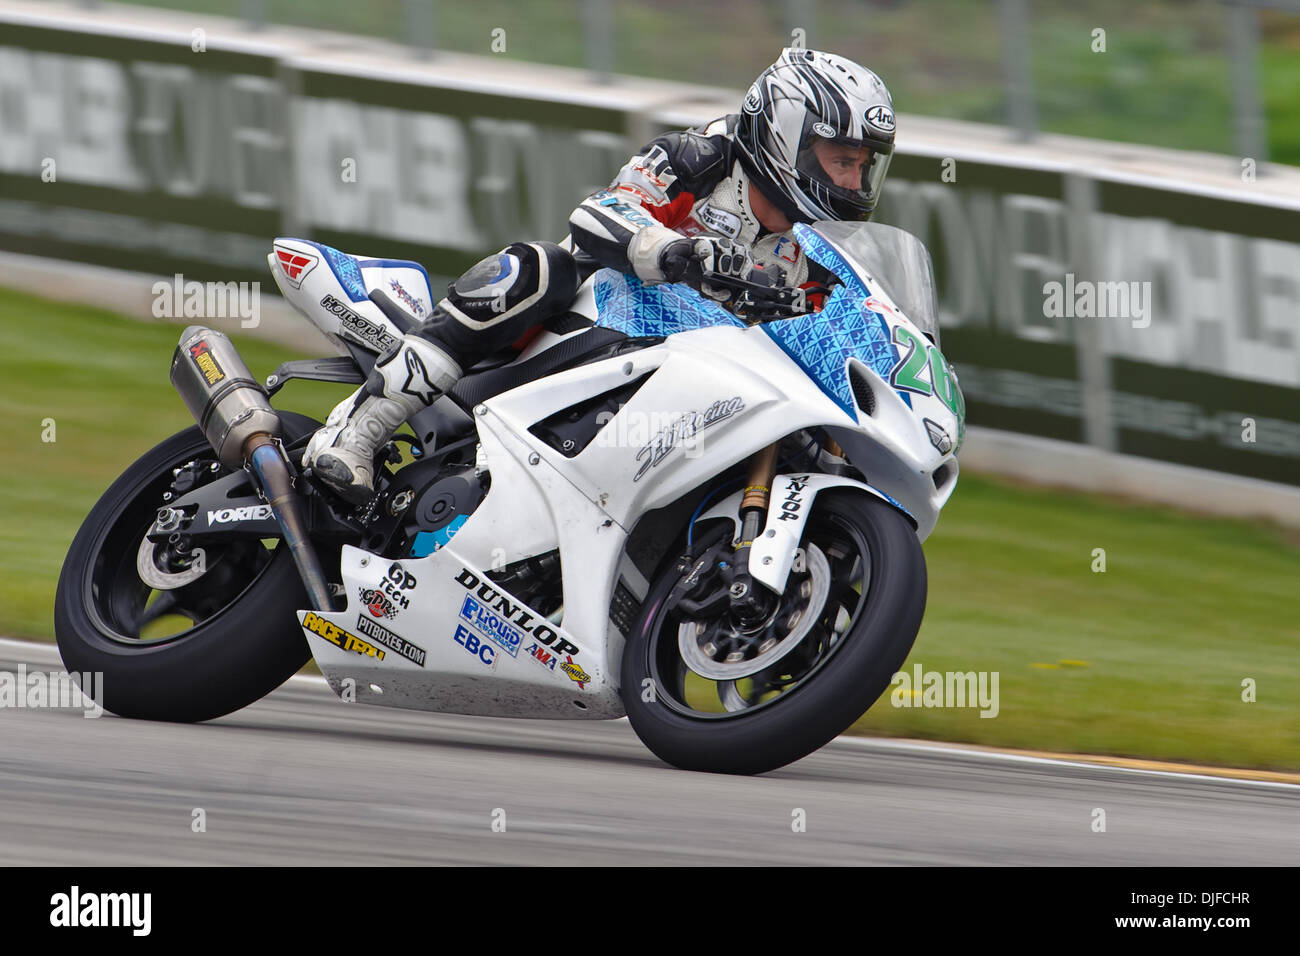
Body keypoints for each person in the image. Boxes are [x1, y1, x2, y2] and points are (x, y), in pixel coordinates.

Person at [304, 47, 896, 503]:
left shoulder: (816, 252)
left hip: (694, 384)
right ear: (788, 137)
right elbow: (599, 213)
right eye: (842, 161)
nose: (853, 182)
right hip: (589, 325)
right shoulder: (702, 159)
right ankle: (358, 429)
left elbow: (833, 329)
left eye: (863, 166)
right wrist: (678, 253)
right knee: (539, 267)